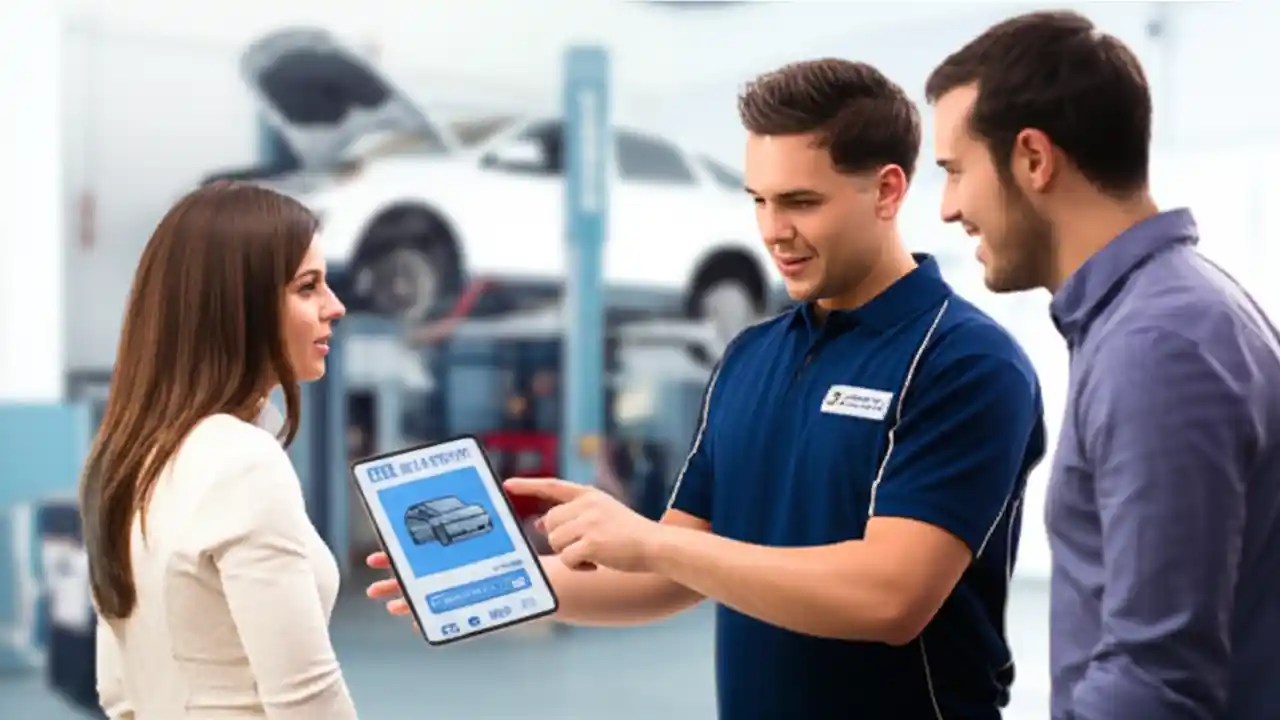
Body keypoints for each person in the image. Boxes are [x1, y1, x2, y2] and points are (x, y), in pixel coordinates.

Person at [369, 59, 1047, 719]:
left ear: (888, 191)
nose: (773, 232)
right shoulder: (751, 356)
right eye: (760, 200)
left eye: (801, 202)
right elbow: (670, 575)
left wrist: (651, 542)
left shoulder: (964, 363)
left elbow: (889, 599)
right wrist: (492, 583)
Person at [926, 10, 1280, 719]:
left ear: (1033, 159)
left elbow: (1157, 682)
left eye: (957, 172)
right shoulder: (1165, 314)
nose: (948, 209)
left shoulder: (1158, 345)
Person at [79, 181, 358, 719]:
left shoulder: (128, 460)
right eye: (308, 287)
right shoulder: (243, 463)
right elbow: (307, 701)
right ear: (239, 306)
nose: (335, 307)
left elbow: (119, 693)